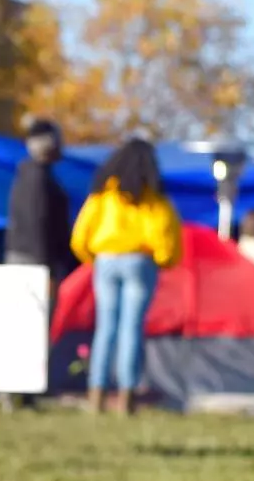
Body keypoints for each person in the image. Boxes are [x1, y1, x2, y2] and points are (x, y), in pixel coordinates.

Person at [69, 138, 182, 414]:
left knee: (105, 328)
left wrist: (92, 258)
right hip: (139, 262)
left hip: (105, 260)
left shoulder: (103, 195)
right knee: (131, 329)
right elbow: (165, 235)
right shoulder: (153, 198)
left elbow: (81, 233)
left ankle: (96, 395)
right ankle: (127, 398)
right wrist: (164, 261)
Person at [5, 118, 76, 288]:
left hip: (28, 257)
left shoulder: (29, 175)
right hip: (34, 261)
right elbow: (37, 221)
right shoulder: (38, 179)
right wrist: (46, 268)